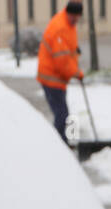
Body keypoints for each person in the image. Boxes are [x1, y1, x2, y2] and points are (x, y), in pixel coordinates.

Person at [37, 2, 84, 144]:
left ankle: (62, 144)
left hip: (58, 79)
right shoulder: (60, 27)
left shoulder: (69, 24)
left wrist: (75, 52)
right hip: (51, 78)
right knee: (62, 114)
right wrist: (77, 73)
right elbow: (61, 62)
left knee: (63, 113)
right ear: (69, 13)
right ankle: (58, 145)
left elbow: (68, 48)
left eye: (77, 18)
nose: (76, 21)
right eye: (74, 17)